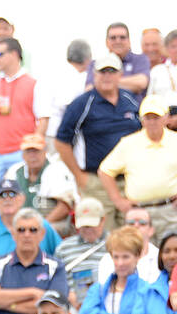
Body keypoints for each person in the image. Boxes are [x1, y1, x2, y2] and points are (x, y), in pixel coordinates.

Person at [55, 52, 141, 222]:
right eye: (102, 71)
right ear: (94, 74)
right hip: (96, 183)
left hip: (130, 181)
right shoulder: (82, 103)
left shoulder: (130, 100)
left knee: (131, 238)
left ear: (120, 75)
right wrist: (78, 175)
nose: (107, 76)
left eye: (112, 71)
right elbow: (61, 142)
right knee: (102, 237)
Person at [98, 94, 177, 238]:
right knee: (139, 254)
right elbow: (105, 171)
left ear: (165, 118)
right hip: (139, 212)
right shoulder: (128, 143)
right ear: (141, 120)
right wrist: (118, 201)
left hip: (172, 209)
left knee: (175, 253)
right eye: (148, 118)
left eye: (156, 117)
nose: (152, 122)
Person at [0, 37, 49, 203]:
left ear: (14, 54)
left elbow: (43, 120)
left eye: (0, 54)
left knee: (22, 198)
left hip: (20, 152)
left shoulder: (34, 84)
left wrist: (32, 148)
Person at [3, 133, 76, 236]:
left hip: (51, 222)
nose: (32, 155)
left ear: (45, 152)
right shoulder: (14, 171)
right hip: (21, 223)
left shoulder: (57, 169)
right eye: (29, 151)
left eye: (36, 151)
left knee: (49, 230)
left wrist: (39, 226)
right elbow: (4, 201)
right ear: (23, 154)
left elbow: (64, 207)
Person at [0, 177, 60, 258]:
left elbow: (62, 253)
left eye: (12, 194)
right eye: (3, 195)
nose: (7, 199)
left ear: (22, 199)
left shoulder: (40, 226)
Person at [55, 198, 107, 307]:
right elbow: (56, 279)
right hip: (72, 305)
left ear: (103, 220)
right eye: (83, 226)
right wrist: (68, 294)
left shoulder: (115, 243)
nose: (87, 229)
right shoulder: (64, 248)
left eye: (91, 225)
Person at [147, 29, 177, 133]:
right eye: (173, 46)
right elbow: (150, 98)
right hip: (161, 123)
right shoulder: (157, 71)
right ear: (166, 48)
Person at [101, 22, 151, 97]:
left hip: (134, 108)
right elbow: (90, 89)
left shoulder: (140, 59)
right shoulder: (96, 64)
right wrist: (128, 83)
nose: (118, 41)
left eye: (122, 37)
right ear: (106, 42)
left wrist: (106, 83)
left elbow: (141, 83)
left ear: (129, 41)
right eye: (113, 38)